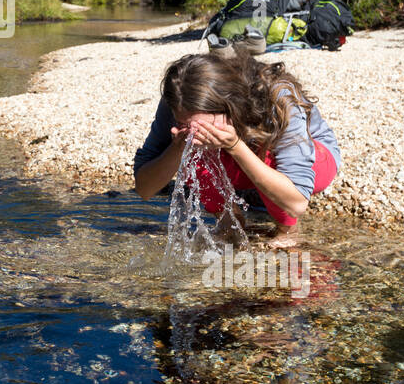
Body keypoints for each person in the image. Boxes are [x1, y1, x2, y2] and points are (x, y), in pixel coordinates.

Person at [133, 46, 341, 248]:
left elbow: (297, 203)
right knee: (189, 148)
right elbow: (145, 189)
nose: (197, 132)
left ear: (230, 107)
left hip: (316, 160)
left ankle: (288, 231)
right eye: (185, 124)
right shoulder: (179, 101)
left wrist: (235, 146)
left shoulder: (276, 97)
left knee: (265, 151)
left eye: (206, 126)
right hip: (241, 157)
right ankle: (229, 220)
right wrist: (178, 148)